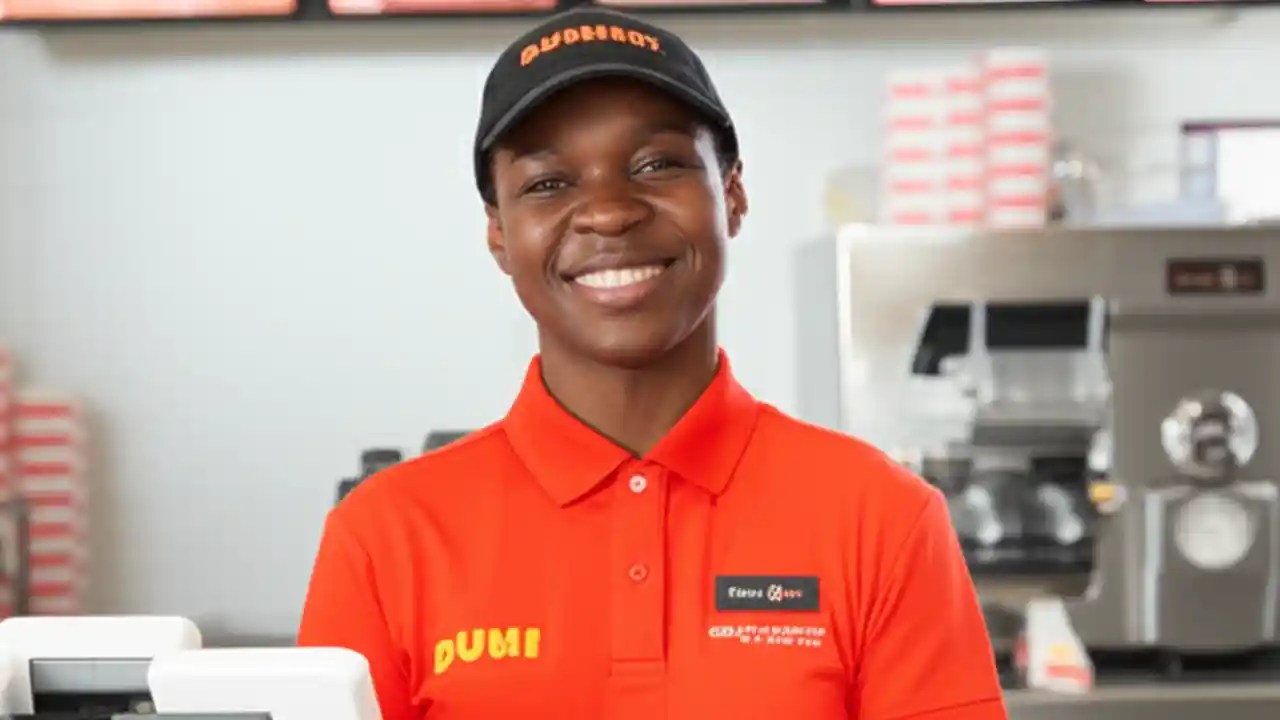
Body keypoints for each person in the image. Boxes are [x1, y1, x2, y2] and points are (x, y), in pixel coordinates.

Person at [297, 7, 1007, 720]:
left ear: (732, 195)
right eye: (548, 183)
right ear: (499, 235)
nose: (608, 212)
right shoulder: (385, 538)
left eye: (657, 164)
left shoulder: (883, 520)